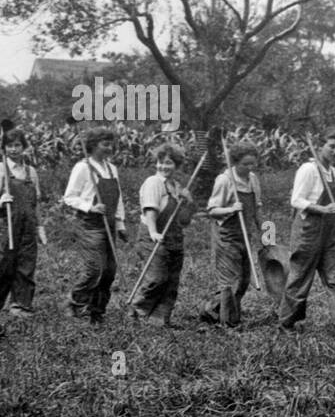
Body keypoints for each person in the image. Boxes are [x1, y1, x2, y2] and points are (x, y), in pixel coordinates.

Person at [277, 128, 335, 335]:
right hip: (308, 231)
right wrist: (323, 209)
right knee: (300, 277)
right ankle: (286, 323)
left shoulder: (333, 171)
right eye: (331, 146)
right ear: (321, 146)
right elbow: (296, 200)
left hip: (331, 233)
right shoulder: (308, 169)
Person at [62, 128, 127, 325]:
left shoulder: (112, 168)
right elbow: (69, 197)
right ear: (93, 145)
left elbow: (119, 199)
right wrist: (90, 207)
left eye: (110, 144)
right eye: (105, 144)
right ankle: (75, 303)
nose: (109, 148)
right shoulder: (83, 167)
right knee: (95, 269)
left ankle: (96, 311)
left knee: (109, 271)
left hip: (109, 224)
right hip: (90, 224)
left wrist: (121, 223)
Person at [130, 143, 196, 327]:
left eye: (169, 163)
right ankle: (137, 312)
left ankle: (159, 320)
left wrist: (188, 202)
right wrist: (153, 232)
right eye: (161, 162)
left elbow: (184, 221)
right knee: (156, 278)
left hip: (174, 238)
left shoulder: (177, 187)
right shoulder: (154, 182)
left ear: (176, 165)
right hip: (152, 236)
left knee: (171, 282)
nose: (163, 167)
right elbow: (150, 209)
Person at [200, 141, 263, 328]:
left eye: (253, 163)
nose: (250, 167)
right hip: (226, 235)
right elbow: (212, 210)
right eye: (245, 164)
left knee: (244, 279)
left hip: (245, 235)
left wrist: (268, 235)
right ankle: (229, 323)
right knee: (230, 280)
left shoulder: (253, 179)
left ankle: (210, 310)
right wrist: (231, 209)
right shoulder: (225, 180)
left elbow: (258, 209)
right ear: (235, 162)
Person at [0, 129, 43, 318]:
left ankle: (21, 307)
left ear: (24, 147)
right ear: (4, 148)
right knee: (3, 265)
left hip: (28, 225)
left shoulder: (31, 171)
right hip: (6, 224)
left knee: (26, 266)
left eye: (18, 145)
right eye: (10, 146)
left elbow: (36, 203)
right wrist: (0, 201)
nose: (14, 149)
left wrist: (40, 227)